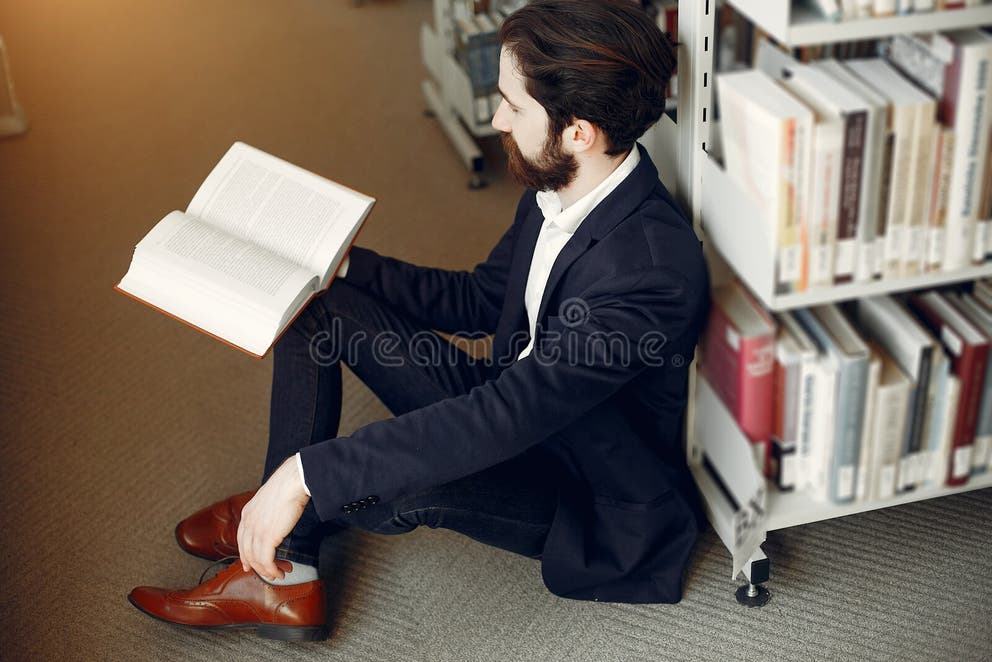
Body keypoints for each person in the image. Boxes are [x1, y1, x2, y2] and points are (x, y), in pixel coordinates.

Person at [128, 0, 710, 642]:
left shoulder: (651, 273)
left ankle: (284, 532)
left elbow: (507, 416)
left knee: (397, 483)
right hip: (517, 407)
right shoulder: (565, 182)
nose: (498, 120)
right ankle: (287, 552)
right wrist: (345, 265)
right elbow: (481, 300)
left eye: (513, 106)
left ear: (578, 131)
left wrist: (305, 472)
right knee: (319, 310)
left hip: (583, 491)